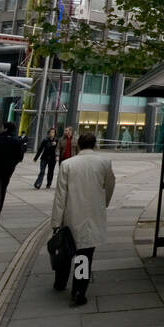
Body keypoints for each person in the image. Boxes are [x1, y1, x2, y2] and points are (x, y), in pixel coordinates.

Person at [51, 131, 115, 306]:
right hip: (92, 215)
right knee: (84, 255)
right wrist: (104, 203)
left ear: (78, 144)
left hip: (70, 215)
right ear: (94, 145)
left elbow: (60, 196)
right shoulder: (104, 163)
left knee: (65, 251)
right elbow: (109, 186)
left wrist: (56, 221)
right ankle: (78, 290)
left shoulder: (67, 164)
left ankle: (60, 282)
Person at [0, 121, 24, 220]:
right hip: (8, 169)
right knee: (3, 188)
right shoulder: (16, 141)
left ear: (5, 128)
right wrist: (13, 165)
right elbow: (20, 156)